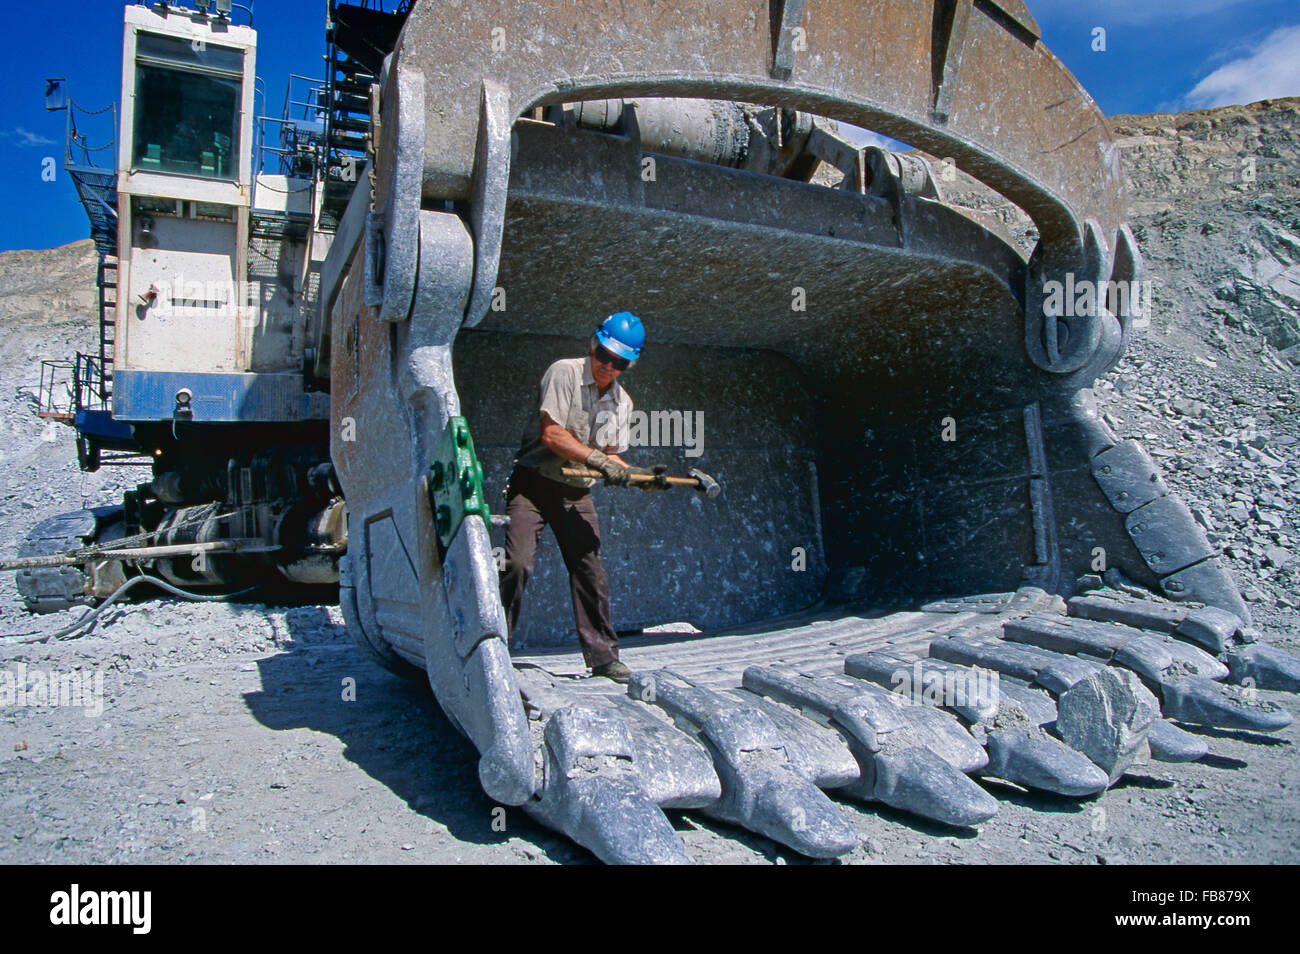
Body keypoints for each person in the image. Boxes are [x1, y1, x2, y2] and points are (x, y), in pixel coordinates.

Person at [498, 311, 664, 683]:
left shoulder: (623, 404)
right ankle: (494, 646)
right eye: (603, 354)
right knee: (518, 563)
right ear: (593, 344)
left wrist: (639, 477)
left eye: (618, 361)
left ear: (629, 364)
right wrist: (598, 459)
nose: (607, 365)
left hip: (575, 493)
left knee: (590, 569)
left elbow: (613, 456)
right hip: (534, 485)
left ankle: (604, 658)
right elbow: (552, 435)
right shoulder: (564, 373)